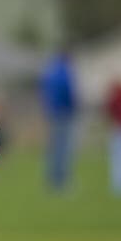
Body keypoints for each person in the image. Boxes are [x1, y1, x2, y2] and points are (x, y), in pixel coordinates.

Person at [39, 49, 78, 190]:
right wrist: (74, 108)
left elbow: (43, 91)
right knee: (63, 149)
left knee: (53, 148)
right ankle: (61, 182)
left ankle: (51, 180)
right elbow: (69, 93)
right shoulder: (65, 72)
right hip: (64, 113)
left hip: (51, 113)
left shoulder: (50, 71)